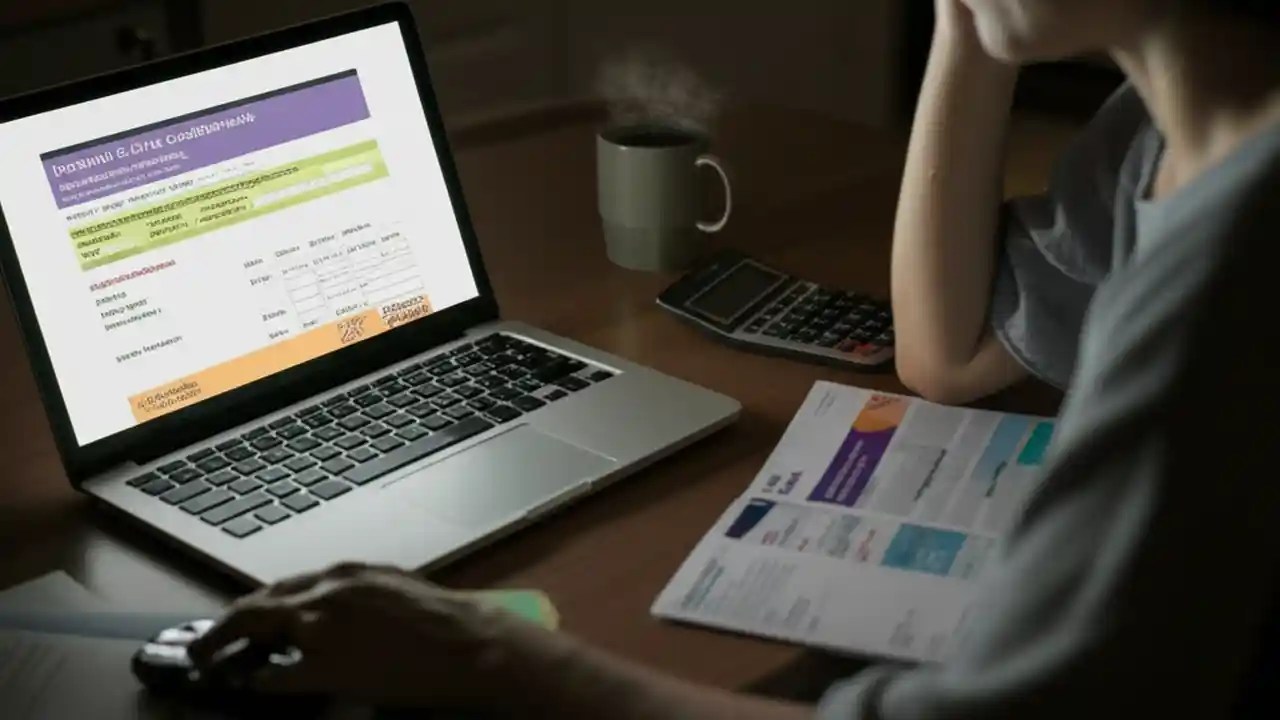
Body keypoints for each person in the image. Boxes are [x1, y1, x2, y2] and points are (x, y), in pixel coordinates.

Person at [190, 1, 1280, 717]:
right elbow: (947, 356)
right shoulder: (1155, 140)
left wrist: (484, 659)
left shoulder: (1235, 258)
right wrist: (969, 28)